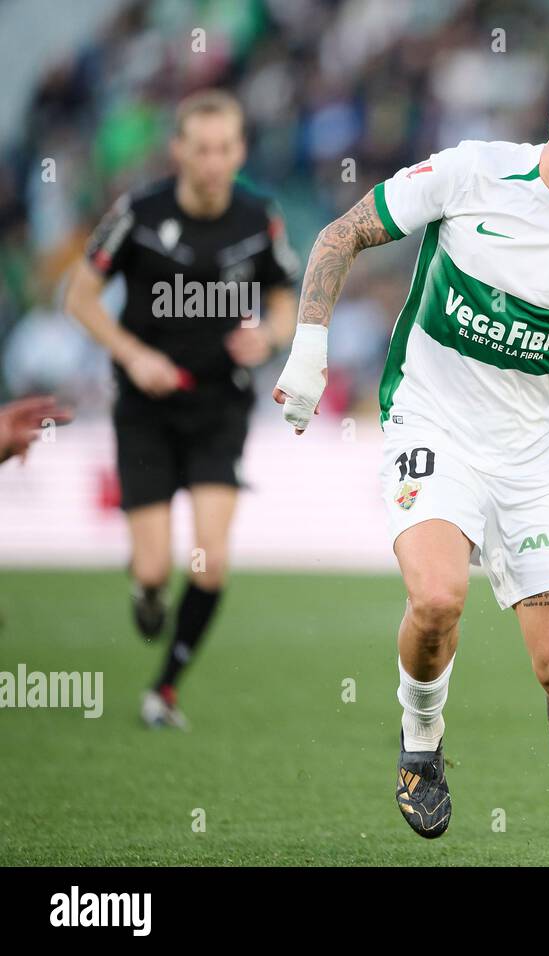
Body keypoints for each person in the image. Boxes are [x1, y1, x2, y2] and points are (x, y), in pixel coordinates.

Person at [272, 47, 549, 839]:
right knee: (437, 598)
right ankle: (421, 736)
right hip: (431, 426)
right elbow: (340, 235)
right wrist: (309, 352)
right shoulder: (470, 173)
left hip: (531, 462)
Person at [64, 89, 299, 729]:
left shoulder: (259, 217)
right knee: (151, 568)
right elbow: (79, 297)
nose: (214, 161)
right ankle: (144, 591)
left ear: (239, 150)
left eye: (226, 149)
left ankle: (163, 690)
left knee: (210, 559)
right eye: (202, 149)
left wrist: (271, 337)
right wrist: (134, 354)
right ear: (179, 152)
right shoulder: (137, 214)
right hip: (144, 408)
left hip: (219, 407)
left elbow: (284, 300)